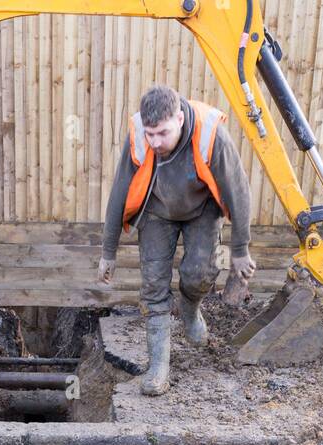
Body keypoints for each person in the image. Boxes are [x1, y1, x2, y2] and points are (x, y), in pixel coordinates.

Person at [99, 83, 256, 395]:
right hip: (156, 210)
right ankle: (159, 366)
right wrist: (108, 251)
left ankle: (189, 307)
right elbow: (119, 190)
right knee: (153, 285)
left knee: (199, 275)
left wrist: (240, 249)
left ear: (180, 119)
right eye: (150, 134)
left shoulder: (211, 136)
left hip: (201, 209)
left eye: (163, 133)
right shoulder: (139, 138)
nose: (155, 142)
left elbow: (238, 190)